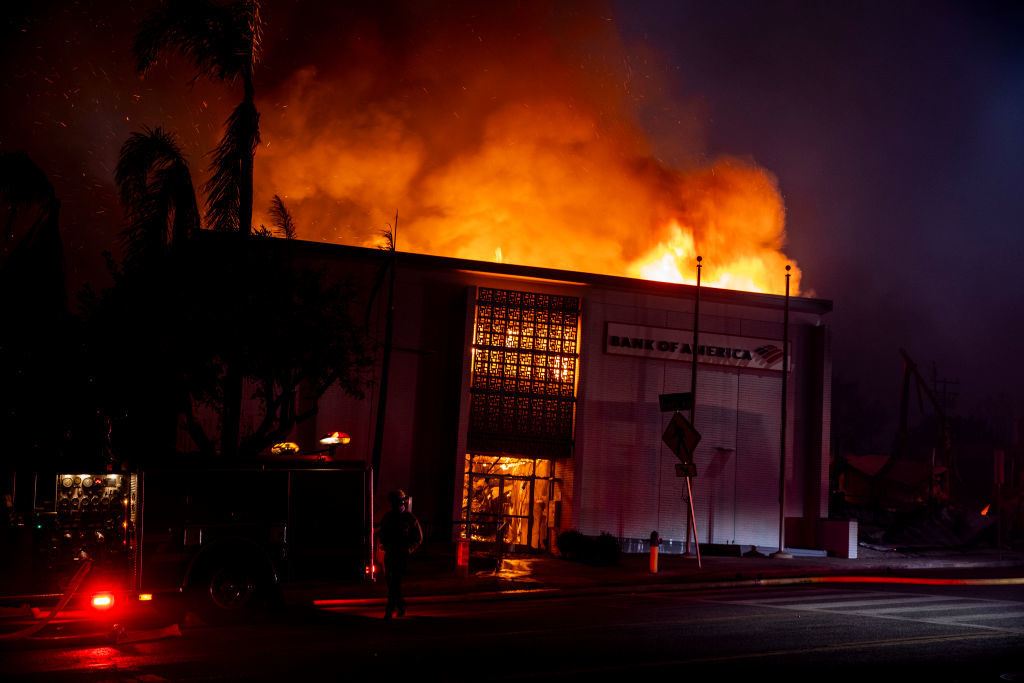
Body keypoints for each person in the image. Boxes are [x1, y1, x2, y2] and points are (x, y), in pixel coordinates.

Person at [377, 489, 423, 619]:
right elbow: (383, 533)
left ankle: (389, 609)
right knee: (390, 582)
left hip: (401, 555)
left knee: (395, 582)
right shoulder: (388, 517)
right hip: (390, 554)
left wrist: (408, 549)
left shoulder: (409, 519)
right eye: (393, 502)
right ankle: (400, 604)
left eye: (396, 502)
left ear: (402, 502)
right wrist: (382, 539)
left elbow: (418, 537)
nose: (394, 505)